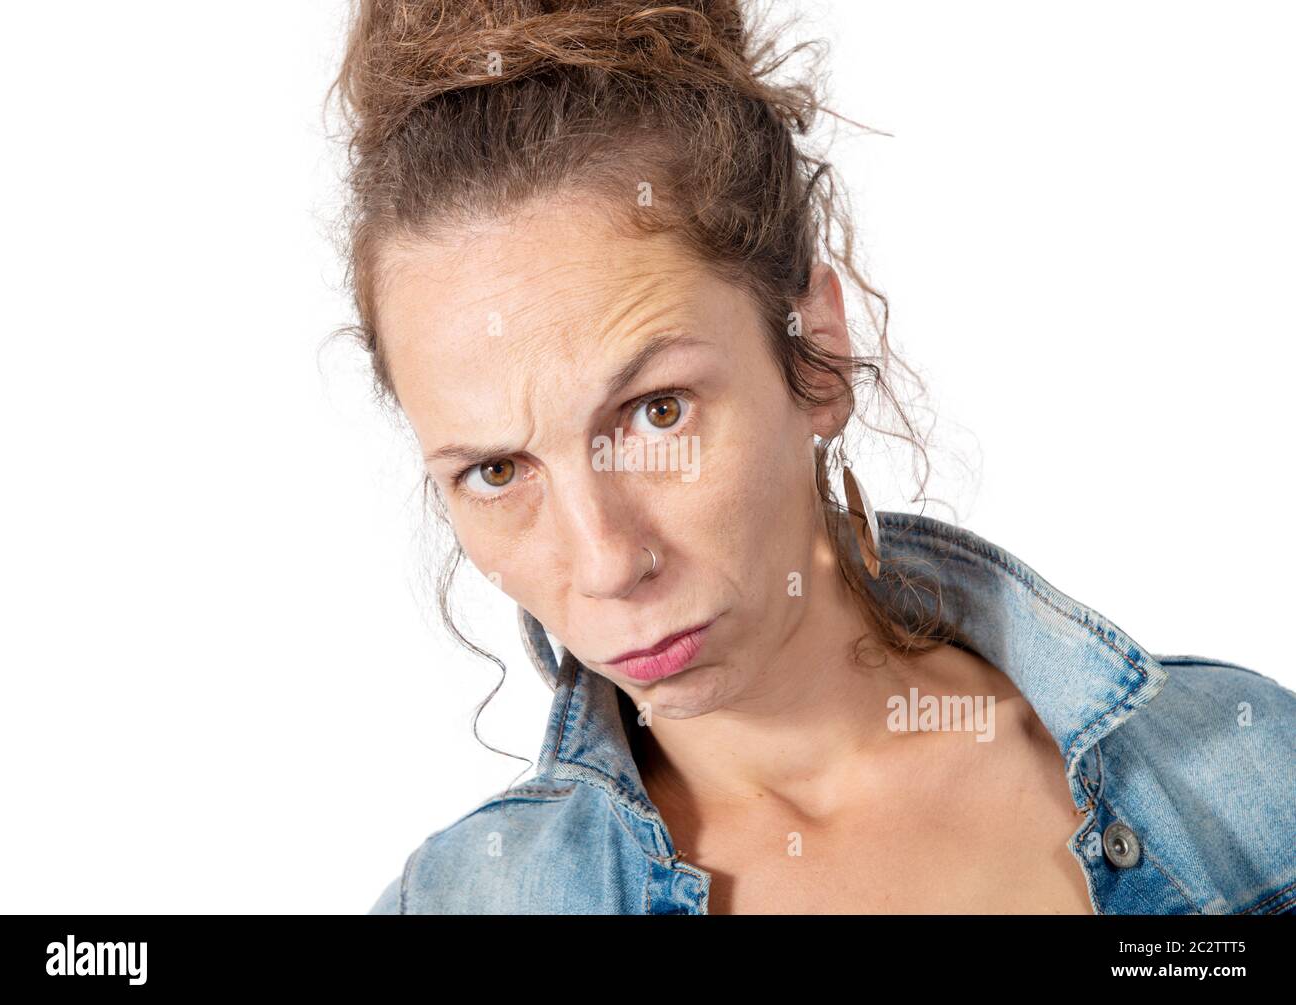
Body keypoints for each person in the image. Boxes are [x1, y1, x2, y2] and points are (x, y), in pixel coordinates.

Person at [325, 0, 1296, 914]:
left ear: (816, 355)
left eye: (657, 412)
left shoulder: (1249, 784)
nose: (606, 563)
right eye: (496, 472)